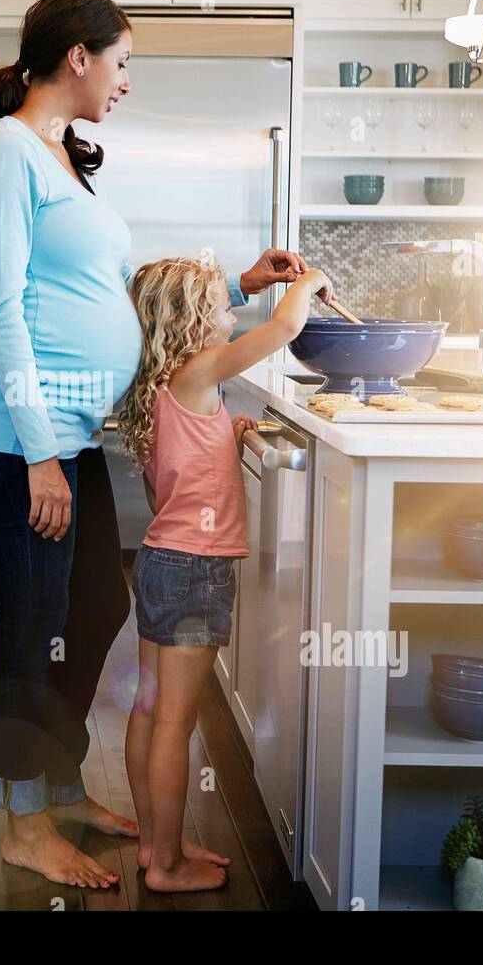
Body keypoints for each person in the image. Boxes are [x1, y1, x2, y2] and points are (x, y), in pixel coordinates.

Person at [0, 0, 309, 888]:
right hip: (10, 435)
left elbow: (123, 301)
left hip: (65, 432)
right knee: (30, 623)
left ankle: (57, 784)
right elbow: (0, 310)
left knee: (97, 606)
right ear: (79, 55)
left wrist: (242, 290)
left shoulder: (63, 160)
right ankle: (22, 826)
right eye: (124, 61)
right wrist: (36, 453)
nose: (126, 82)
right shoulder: (5, 154)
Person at [118, 256, 333, 892]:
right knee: (176, 724)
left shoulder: (162, 385)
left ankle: (155, 842)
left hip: (160, 562)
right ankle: (164, 866)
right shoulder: (203, 369)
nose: (232, 315)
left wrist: (227, 435)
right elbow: (283, 331)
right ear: (191, 321)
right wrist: (308, 283)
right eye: (221, 307)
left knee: (148, 708)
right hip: (196, 574)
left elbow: (172, 491)